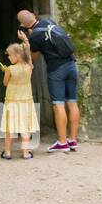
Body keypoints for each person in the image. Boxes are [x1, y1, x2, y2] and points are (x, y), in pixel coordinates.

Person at [17, 10, 79, 153]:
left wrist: (26, 41)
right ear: (33, 15)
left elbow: (33, 58)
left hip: (56, 69)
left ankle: (62, 142)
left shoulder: (34, 37)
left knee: (58, 105)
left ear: (23, 25)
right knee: (72, 102)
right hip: (71, 65)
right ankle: (72, 140)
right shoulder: (50, 22)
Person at [0, 36, 38, 159]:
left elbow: (5, 83)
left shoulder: (10, 69)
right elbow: (29, 57)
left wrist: (5, 72)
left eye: (10, 55)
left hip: (12, 101)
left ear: (17, 56)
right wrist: (26, 42)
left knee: (9, 128)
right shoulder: (29, 67)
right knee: (25, 128)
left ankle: (7, 152)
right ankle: (26, 153)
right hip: (26, 102)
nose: (9, 58)